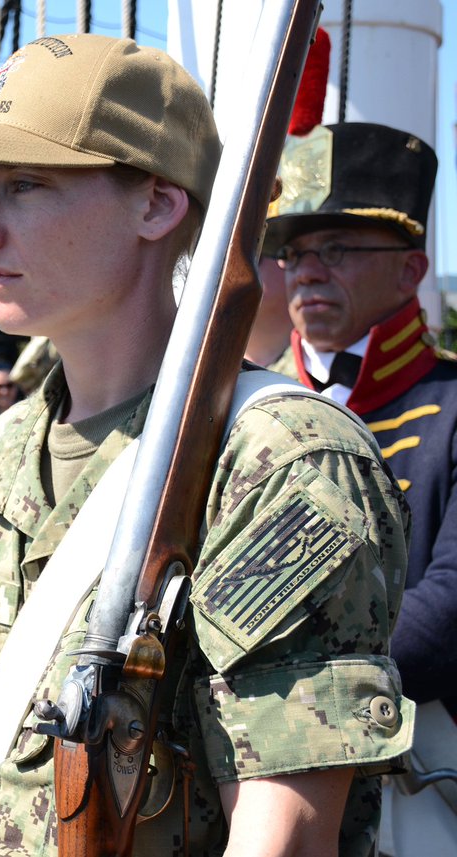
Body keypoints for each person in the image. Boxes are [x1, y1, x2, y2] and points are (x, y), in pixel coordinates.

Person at [0, 34, 412, 856]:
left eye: (21, 186)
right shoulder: (1, 456)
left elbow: (285, 838)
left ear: (156, 205)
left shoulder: (282, 460)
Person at [265, 121, 457, 854]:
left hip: (419, 774)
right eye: (293, 252)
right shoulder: (241, 407)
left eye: (336, 249)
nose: (306, 271)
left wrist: (289, 688)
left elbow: (447, 614)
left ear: (411, 271)